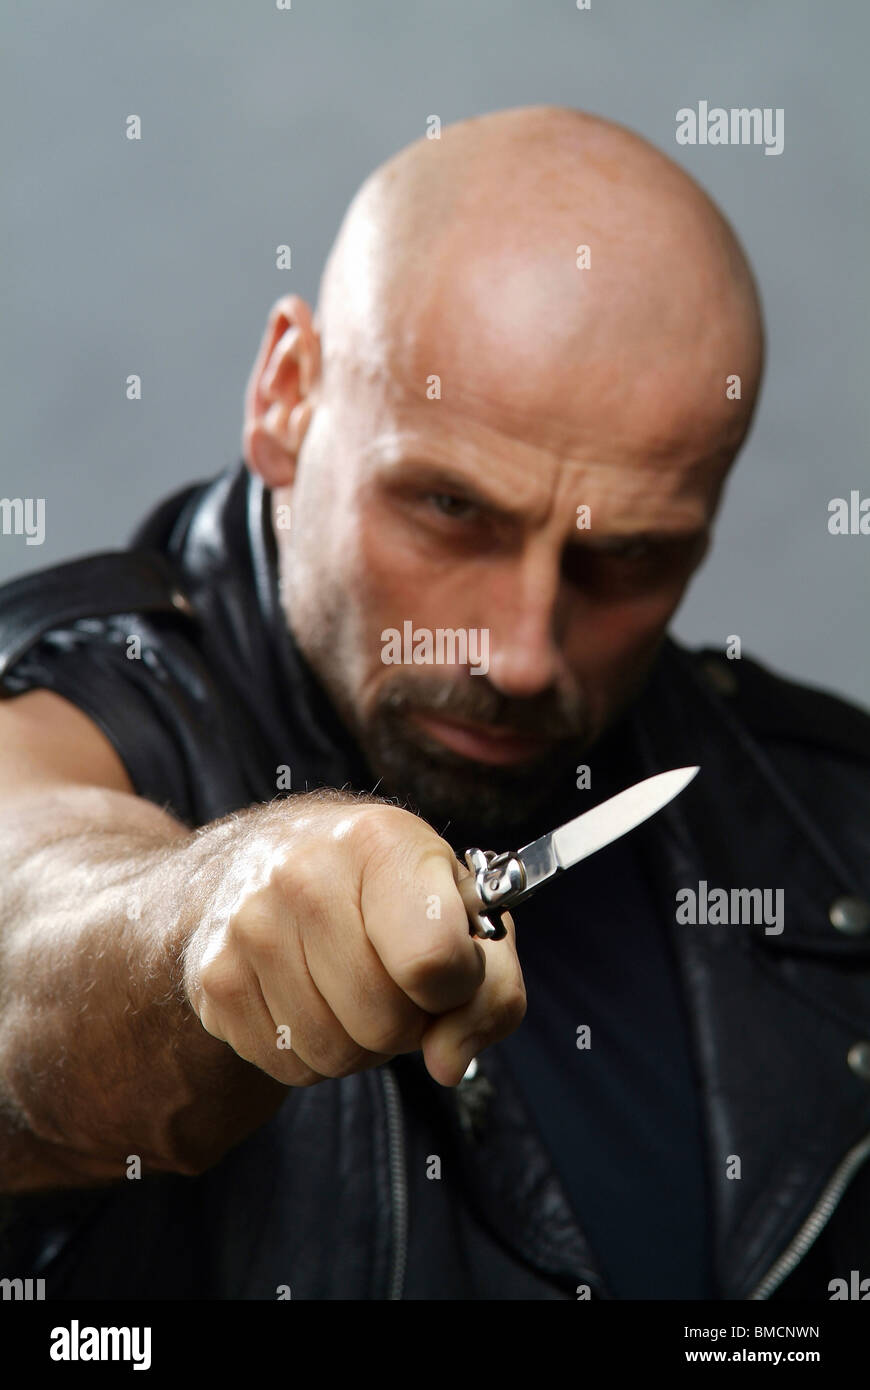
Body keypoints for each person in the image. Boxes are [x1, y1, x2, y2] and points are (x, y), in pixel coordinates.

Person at [1, 106, 868, 1302]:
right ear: (287, 395)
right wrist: (204, 913)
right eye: (450, 510)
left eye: (626, 558)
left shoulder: (829, 809)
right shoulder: (83, 699)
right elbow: (27, 914)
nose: (518, 654)